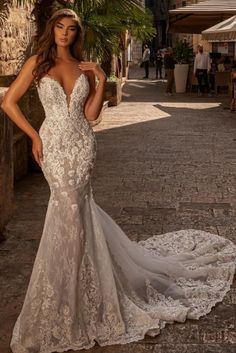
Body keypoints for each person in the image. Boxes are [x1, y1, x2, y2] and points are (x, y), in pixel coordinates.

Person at [1, 8, 236, 353]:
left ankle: (80, 289)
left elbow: (92, 116)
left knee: (75, 209)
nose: (64, 34)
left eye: (70, 30)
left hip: (81, 146)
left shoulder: (84, 65)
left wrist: (97, 79)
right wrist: (34, 136)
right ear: (52, 30)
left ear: (76, 35)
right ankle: (66, 289)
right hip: (52, 146)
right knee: (67, 210)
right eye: (60, 28)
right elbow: (9, 102)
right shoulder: (38, 62)